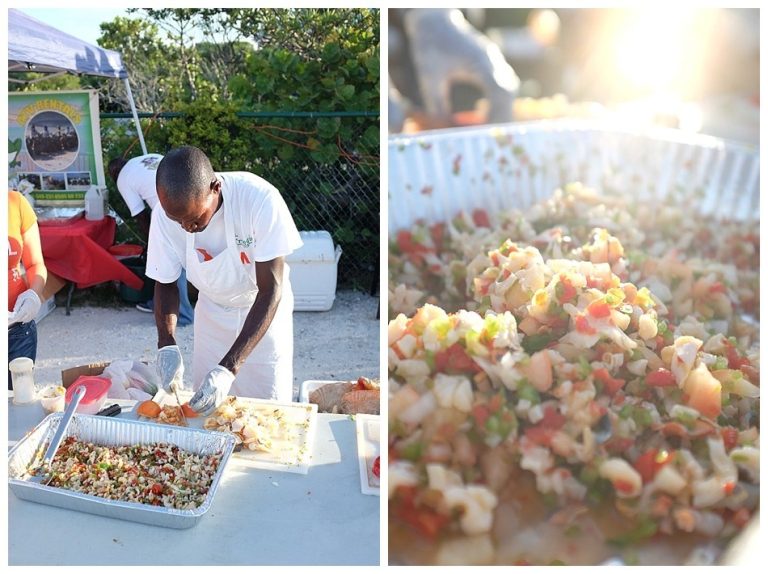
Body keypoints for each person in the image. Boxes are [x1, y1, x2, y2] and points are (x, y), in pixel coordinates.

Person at [146, 146, 303, 414]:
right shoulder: (162, 217)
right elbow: (165, 281)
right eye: (178, 220)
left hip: (262, 311)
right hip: (212, 312)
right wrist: (166, 343)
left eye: (194, 219)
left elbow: (271, 290)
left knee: (267, 410)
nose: (186, 227)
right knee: (205, 408)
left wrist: (229, 368)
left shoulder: (260, 200)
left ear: (215, 188)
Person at [108, 154, 194, 326]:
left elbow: (140, 215)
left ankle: (183, 315)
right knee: (173, 259)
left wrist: (151, 240)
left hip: (171, 210)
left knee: (173, 261)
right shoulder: (146, 158)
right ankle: (159, 303)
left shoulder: (123, 178)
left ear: (114, 173)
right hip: (192, 198)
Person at [8, 190, 47, 389]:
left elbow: (35, 264)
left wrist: (33, 293)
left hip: (18, 330)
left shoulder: (14, 202)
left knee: (18, 404)